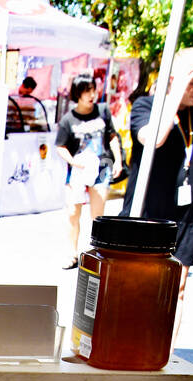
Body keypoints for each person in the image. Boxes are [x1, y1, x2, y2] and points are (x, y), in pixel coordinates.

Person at [124, 48, 193, 272]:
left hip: (186, 216)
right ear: (173, 80)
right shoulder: (146, 106)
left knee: (177, 287)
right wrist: (174, 96)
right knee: (143, 284)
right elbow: (153, 139)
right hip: (149, 215)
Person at [55, 75, 122, 269]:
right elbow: (60, 146)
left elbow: (112, 136)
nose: (92, 95)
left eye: (93, 90)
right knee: (73, 212)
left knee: (98, 215)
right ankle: (71, 253)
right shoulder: (68, 120)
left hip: (101, 167)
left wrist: (118, 160)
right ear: (78, 94)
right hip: (77, 171)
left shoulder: (103, 111)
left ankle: (96, 253)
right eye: (86, 91)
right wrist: (73, 162)